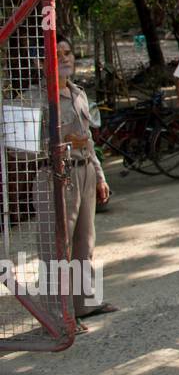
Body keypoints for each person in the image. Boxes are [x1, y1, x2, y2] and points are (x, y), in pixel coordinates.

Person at [53, 39, 115, 326]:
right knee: (58, 247)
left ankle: (85, 304)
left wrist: (99, 176)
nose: (64, 58)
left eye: (67, 52)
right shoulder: (39, 97)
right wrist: (58, 144)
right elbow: (20, 147)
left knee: (84, 243)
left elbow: (88, 140)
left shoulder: (78, 94)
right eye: (56, 54)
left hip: (85, 171)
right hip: (57, 175)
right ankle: (59, 315)